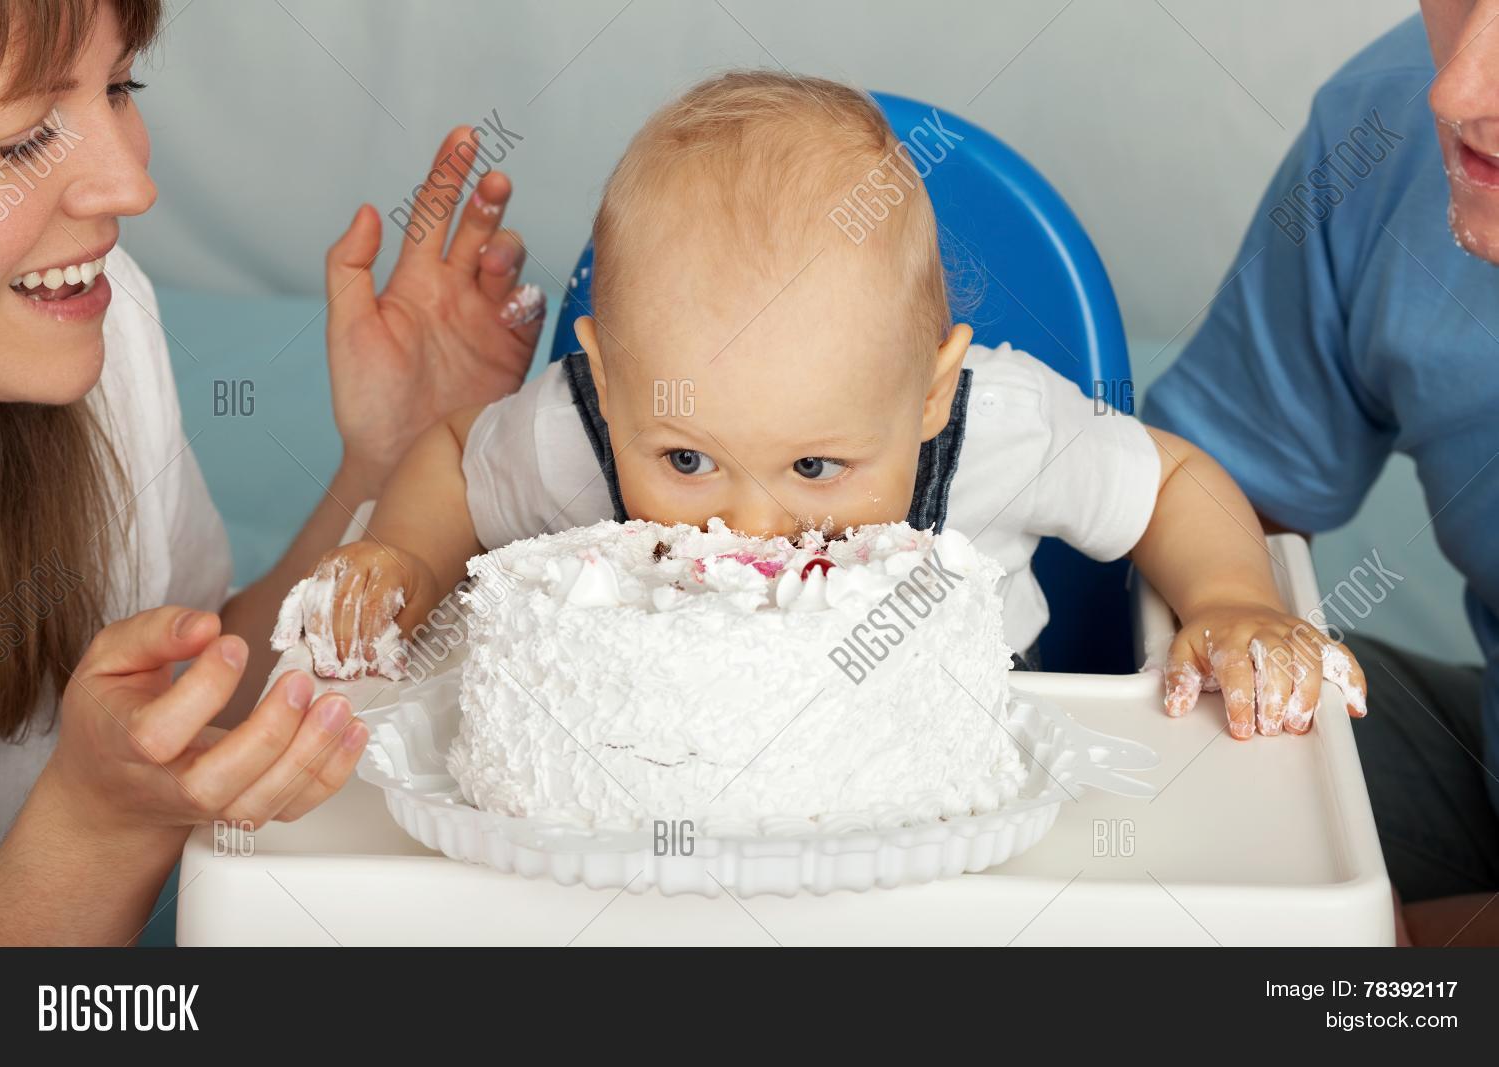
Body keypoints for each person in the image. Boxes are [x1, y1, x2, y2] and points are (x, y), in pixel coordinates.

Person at [274, 72, 1367, 755]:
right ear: (606, 383)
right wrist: (399, 558)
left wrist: (1232, 597)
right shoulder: (590, 430)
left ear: (931, 392)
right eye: (690, 457)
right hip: (667, 798)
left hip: (972, 786)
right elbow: (460, 453)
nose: (750, 525)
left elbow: (1170, 478)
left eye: (816, 468)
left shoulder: (997, 430)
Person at [0, 0, 545, 944]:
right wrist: (94, 827)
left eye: (120, 87)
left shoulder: (101, 321)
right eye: (19, 143)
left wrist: (388, 472)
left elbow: (181, 687)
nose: (131, 186)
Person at [1145, 3, 1499, 944]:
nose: (1458, 91)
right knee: (1162, 744)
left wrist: (1382, 959)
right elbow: (1216, 484)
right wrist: (1235, 608)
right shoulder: (1391, 122)